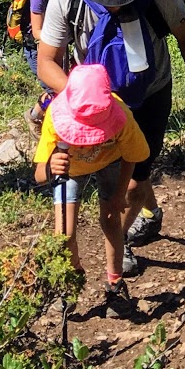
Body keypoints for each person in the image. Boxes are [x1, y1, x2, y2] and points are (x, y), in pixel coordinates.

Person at [37, 0, 185, 274]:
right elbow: (46, 61)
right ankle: (146, 216)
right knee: (112, 177)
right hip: (88, 108)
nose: (117, 7)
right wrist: (79, 95)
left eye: (124, 0)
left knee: (134, 178)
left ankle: (124, 240)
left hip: (150, 95)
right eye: (110, 2)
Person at [33, 63, 147, 315]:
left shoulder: (122, 116)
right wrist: (51, 166)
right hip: (70, 170)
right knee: (63, 234)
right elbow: (39, 175)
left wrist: (119, 195)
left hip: (110, 162)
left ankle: (115, 284)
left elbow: (132, 155)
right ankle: (72, 278)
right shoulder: (54, 115)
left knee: (111, 220)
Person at [24, 0, 72, 133]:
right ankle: (35, 117)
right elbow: (37, 31)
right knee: (56, 88)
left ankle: (42, 119)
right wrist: (60, 37)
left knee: (58, 87)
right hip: (37, 49)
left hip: (54, 46)